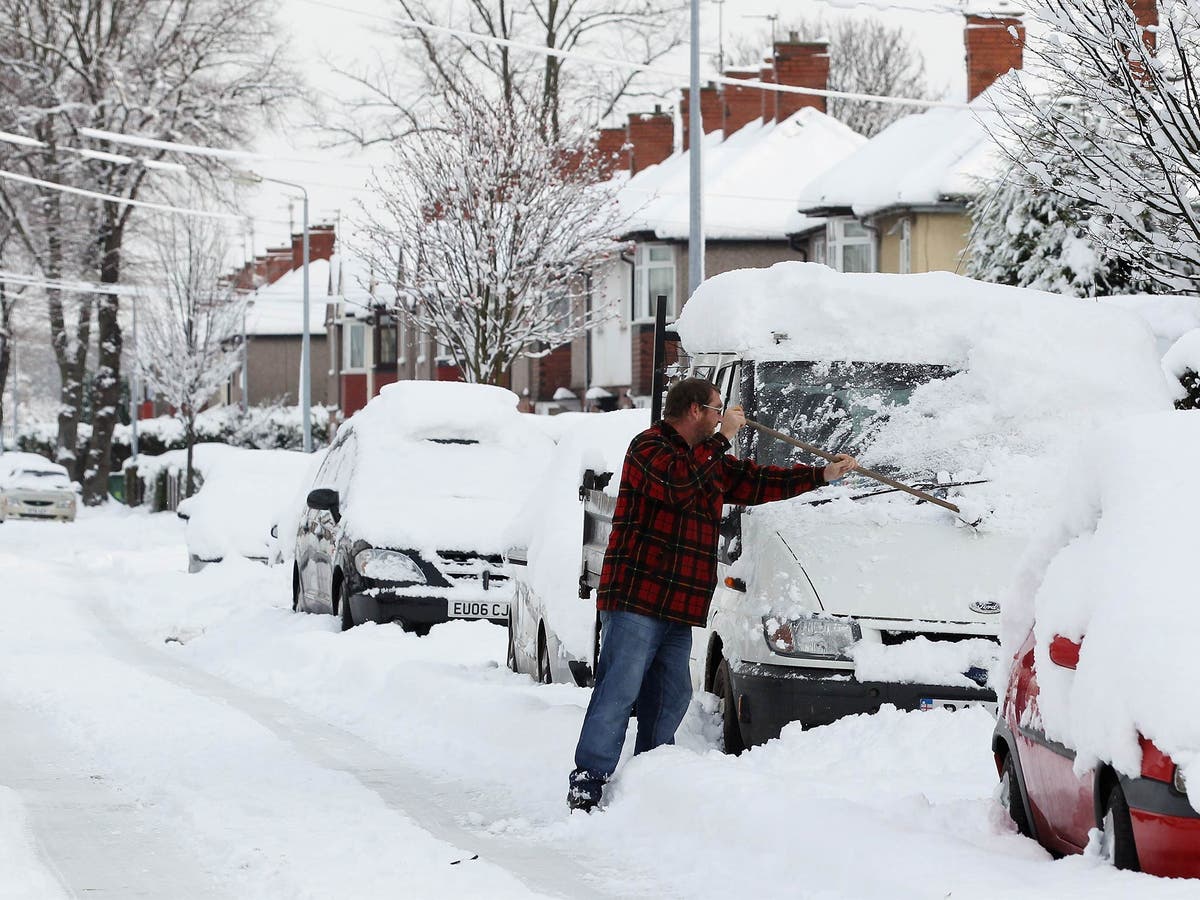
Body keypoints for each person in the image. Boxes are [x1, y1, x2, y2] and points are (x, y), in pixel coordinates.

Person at [567, 377, 857, 812]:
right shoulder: (649, 449)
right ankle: (588, 779)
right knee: (619, 690)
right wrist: (723, 440)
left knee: (672, 695)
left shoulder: (709, 461)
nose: (724, 416)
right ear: (695, 411)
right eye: (717, 408)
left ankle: (648, 775)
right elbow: (679, 487)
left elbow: (759, 482)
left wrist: (821, 475)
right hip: (635, 598)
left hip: (678, 606)